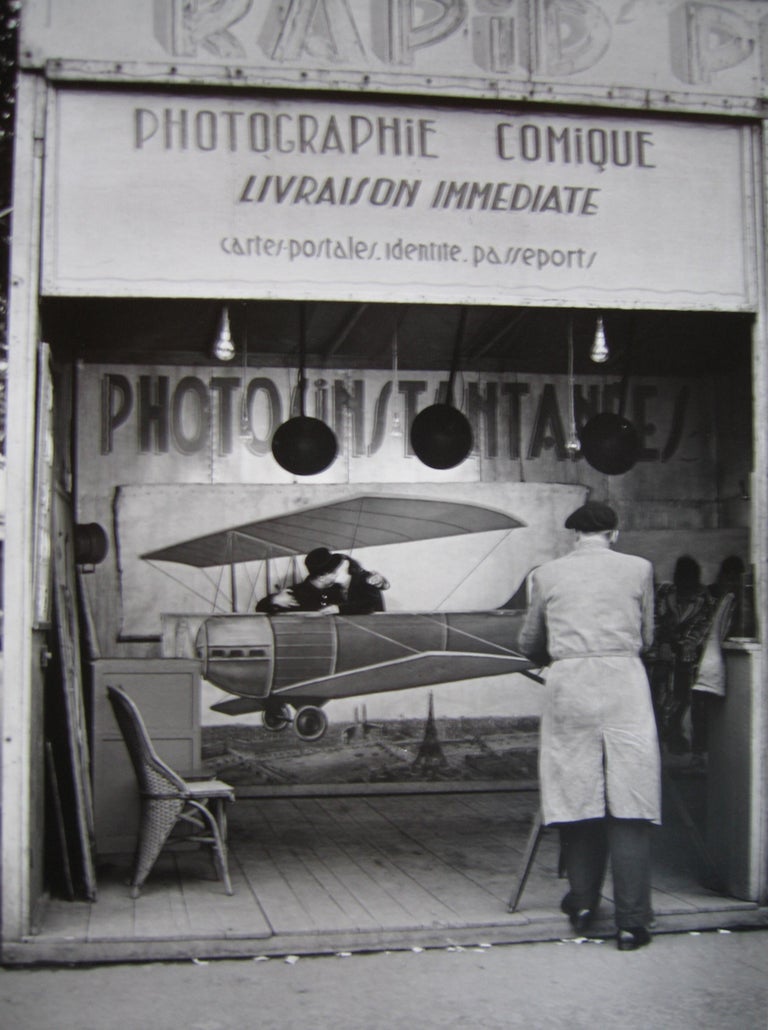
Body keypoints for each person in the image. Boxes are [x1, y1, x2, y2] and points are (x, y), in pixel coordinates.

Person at [518, 501, 660, 951]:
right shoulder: (639, 569)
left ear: (573, 535)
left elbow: (529, 642)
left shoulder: (547, 573)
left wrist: (560, 653)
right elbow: (650, 635)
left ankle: (581, 903)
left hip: (570, 686)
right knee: (631, 800)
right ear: (614, 533)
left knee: (577, 790)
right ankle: (631, 923)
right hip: (624, 686)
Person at [646, 555, 715, 756]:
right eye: (679, 577)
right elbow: (654, 620)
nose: (682, 583)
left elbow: (703, 627)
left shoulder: (705, 599)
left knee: (685, 700)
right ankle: (661, 741)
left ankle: (684, 742)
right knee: (657, 699)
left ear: (695, 580)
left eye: (687, 579)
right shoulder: (665, 593)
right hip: (662, 658)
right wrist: (663, 644)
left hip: (689, 661)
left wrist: (686, 645)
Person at [256, 547, 389, 615]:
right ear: (323, 576)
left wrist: (376, 582)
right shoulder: (296, 592)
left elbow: (368, 604)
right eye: (335, 571)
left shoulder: (338, 589)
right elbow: (260, 609)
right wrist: (273, 601)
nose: (339, 574)